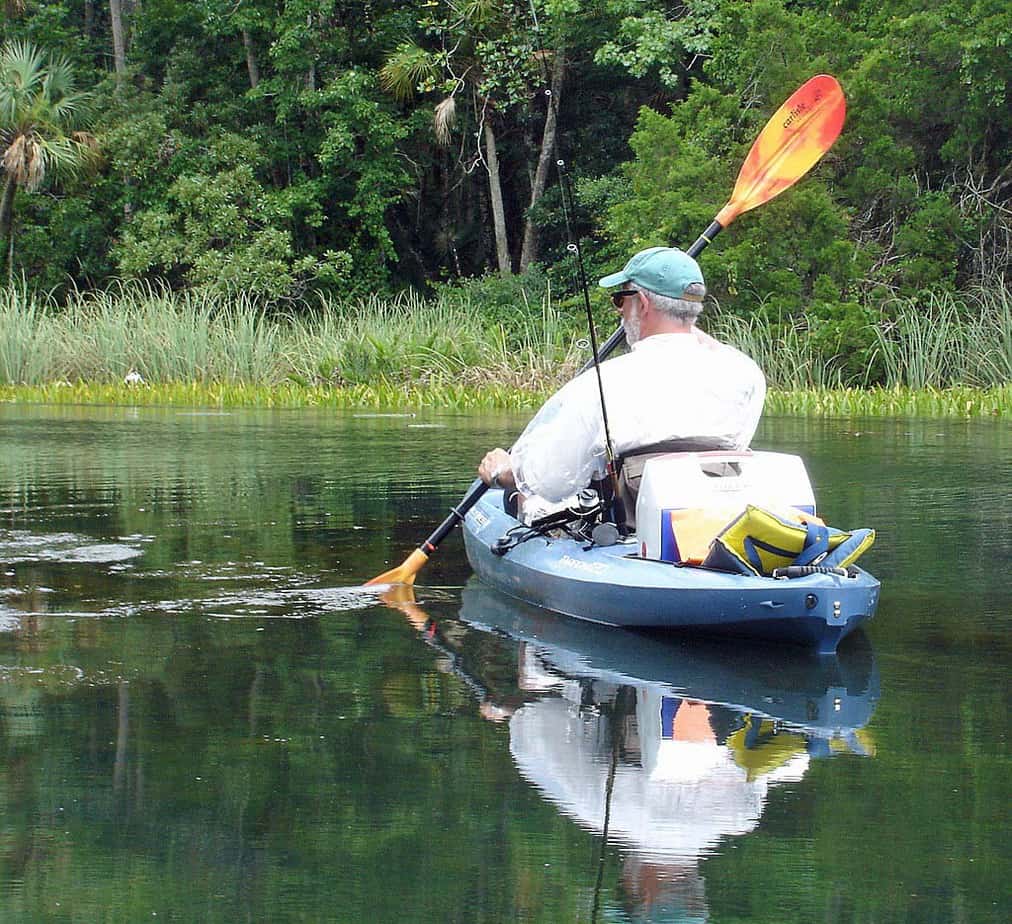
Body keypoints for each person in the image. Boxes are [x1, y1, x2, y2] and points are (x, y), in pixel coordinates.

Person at [477, 246, 766, 514]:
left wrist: (504, 471)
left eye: (620, 300)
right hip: (716, 517)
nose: (619, 310)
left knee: (519, 495)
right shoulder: (746, 374)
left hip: (631, 529)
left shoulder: (601, 383)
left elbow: (551, 482)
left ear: (641, 304)